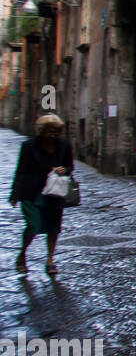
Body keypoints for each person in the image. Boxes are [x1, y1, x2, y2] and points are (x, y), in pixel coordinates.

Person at [8, 114, 74, 276]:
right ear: (42, 130)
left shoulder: (64, 145)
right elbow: (21, 170)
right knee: (33, 225)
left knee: (53, 227)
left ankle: (50, 260)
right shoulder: (29, 146)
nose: (52, 134)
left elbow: (70, 165)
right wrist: (15, 194)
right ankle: (22, 255)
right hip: (32, 192)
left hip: (54, 192)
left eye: (56, 131)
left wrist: (64, 169)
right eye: (50, 131)